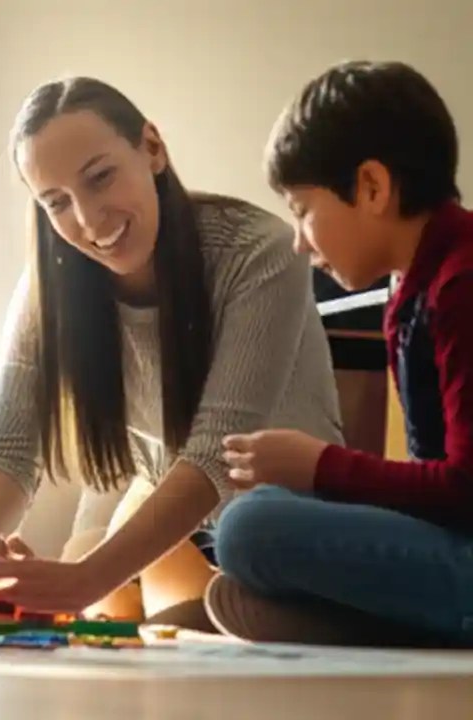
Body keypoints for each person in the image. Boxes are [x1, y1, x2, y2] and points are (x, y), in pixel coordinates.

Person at [0, 77, 342, 627]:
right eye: (57, 202)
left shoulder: (259, 252)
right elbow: (9, 449)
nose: (90, 220)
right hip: (165, 521)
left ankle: (217, 607)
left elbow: (217, 454)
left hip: (273, 518)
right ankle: (181, 605)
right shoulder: (50, 287)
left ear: (152, 149)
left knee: (122, 594)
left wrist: (86, 579)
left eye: (101, 177)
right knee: (90, 573)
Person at [209, 61, 473, 646]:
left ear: (372, 187)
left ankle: (370, 621)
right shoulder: (412, 285)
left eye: (302, 210)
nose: (300, 241)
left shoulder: (461, 283)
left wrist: (322, 466)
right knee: (259, 511)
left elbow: (464, 490)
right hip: (456, 539)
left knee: (252, 527)